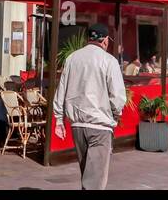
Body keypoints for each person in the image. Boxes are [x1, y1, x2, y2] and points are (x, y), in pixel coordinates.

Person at [52, 23, 127, 190]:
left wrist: (58, 119)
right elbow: (118, 97)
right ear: (105, 40)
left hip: (78, 127)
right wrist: (116, 114)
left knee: (87, 175)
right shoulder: (109, 61)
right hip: (100, 126)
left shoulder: (72, 58)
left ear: (88, 39)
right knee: (94, 182)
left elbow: (61, 91)